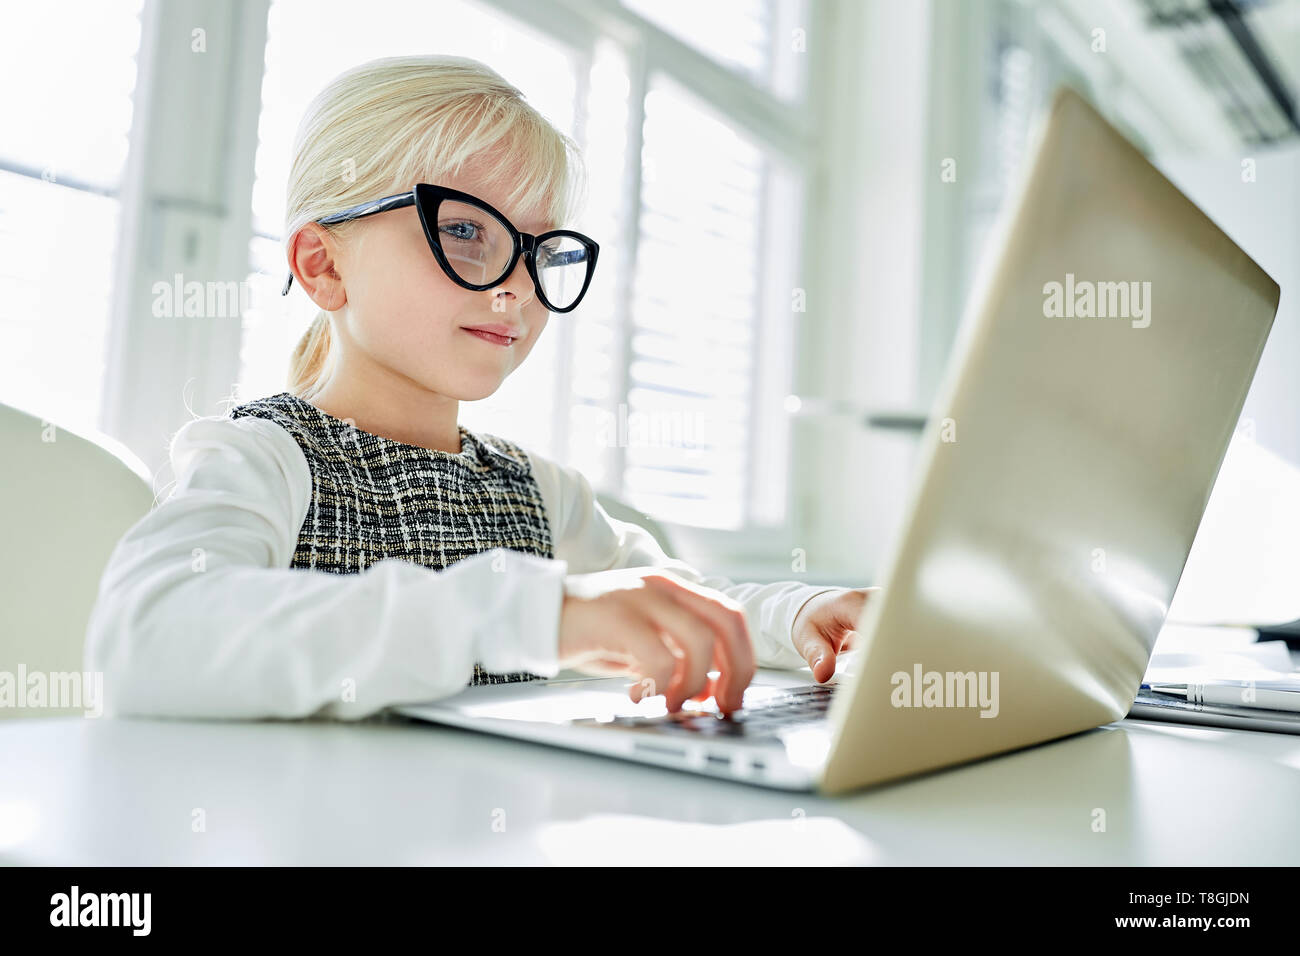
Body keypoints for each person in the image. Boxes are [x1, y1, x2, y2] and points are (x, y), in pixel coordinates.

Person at [84, 54, 873, 722]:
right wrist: (523, 613)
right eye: (464, 230)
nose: (516, 289)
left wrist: (800, 615)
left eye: (541, 251)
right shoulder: (262, 458)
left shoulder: (541, 493)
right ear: (323, 265)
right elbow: (144, 637)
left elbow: (685, 600)